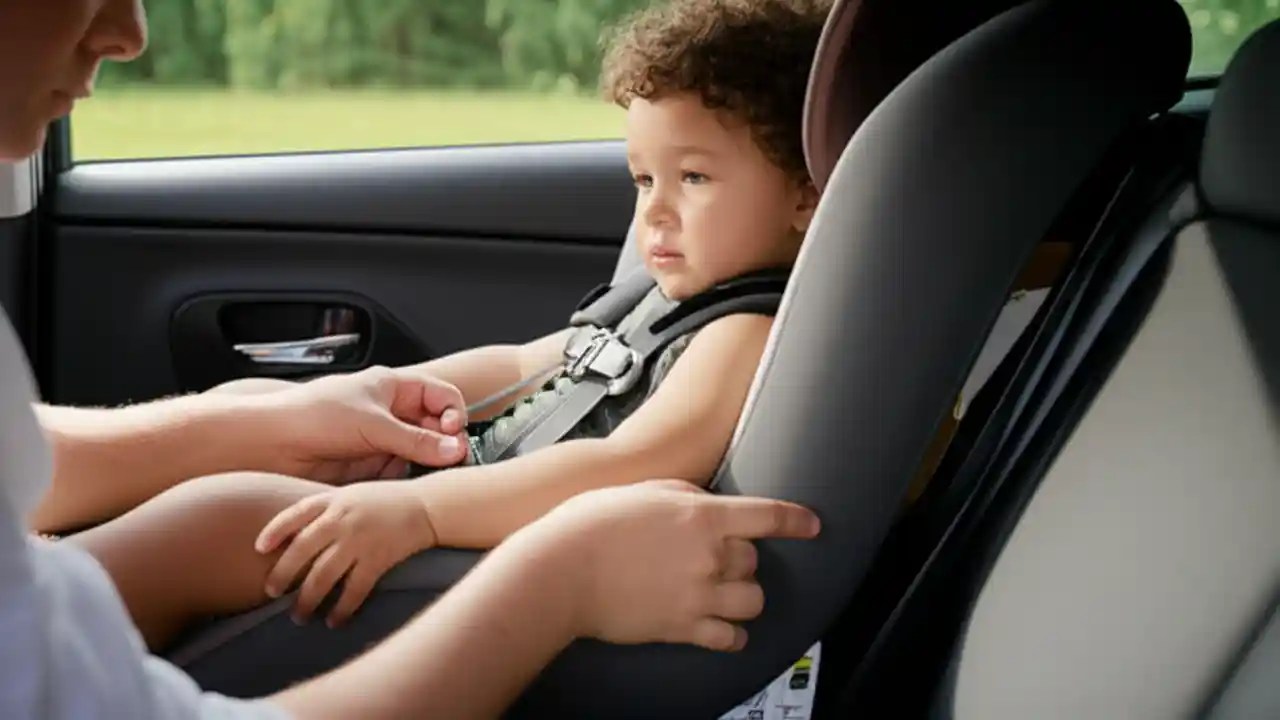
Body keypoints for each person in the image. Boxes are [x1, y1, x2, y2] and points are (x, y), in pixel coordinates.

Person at [0, 1, 823, 718]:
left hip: (491, 534)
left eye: (694, 178)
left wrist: (421, 512)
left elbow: (634, 461)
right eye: (643, 180)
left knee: (232, 517)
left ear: (805, 195)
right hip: (479, 493)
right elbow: (531, 361)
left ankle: (92, 622)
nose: (655, 215)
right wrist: (405, 394)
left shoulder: (742, 329)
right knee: (235, 458)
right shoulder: (662, 297)